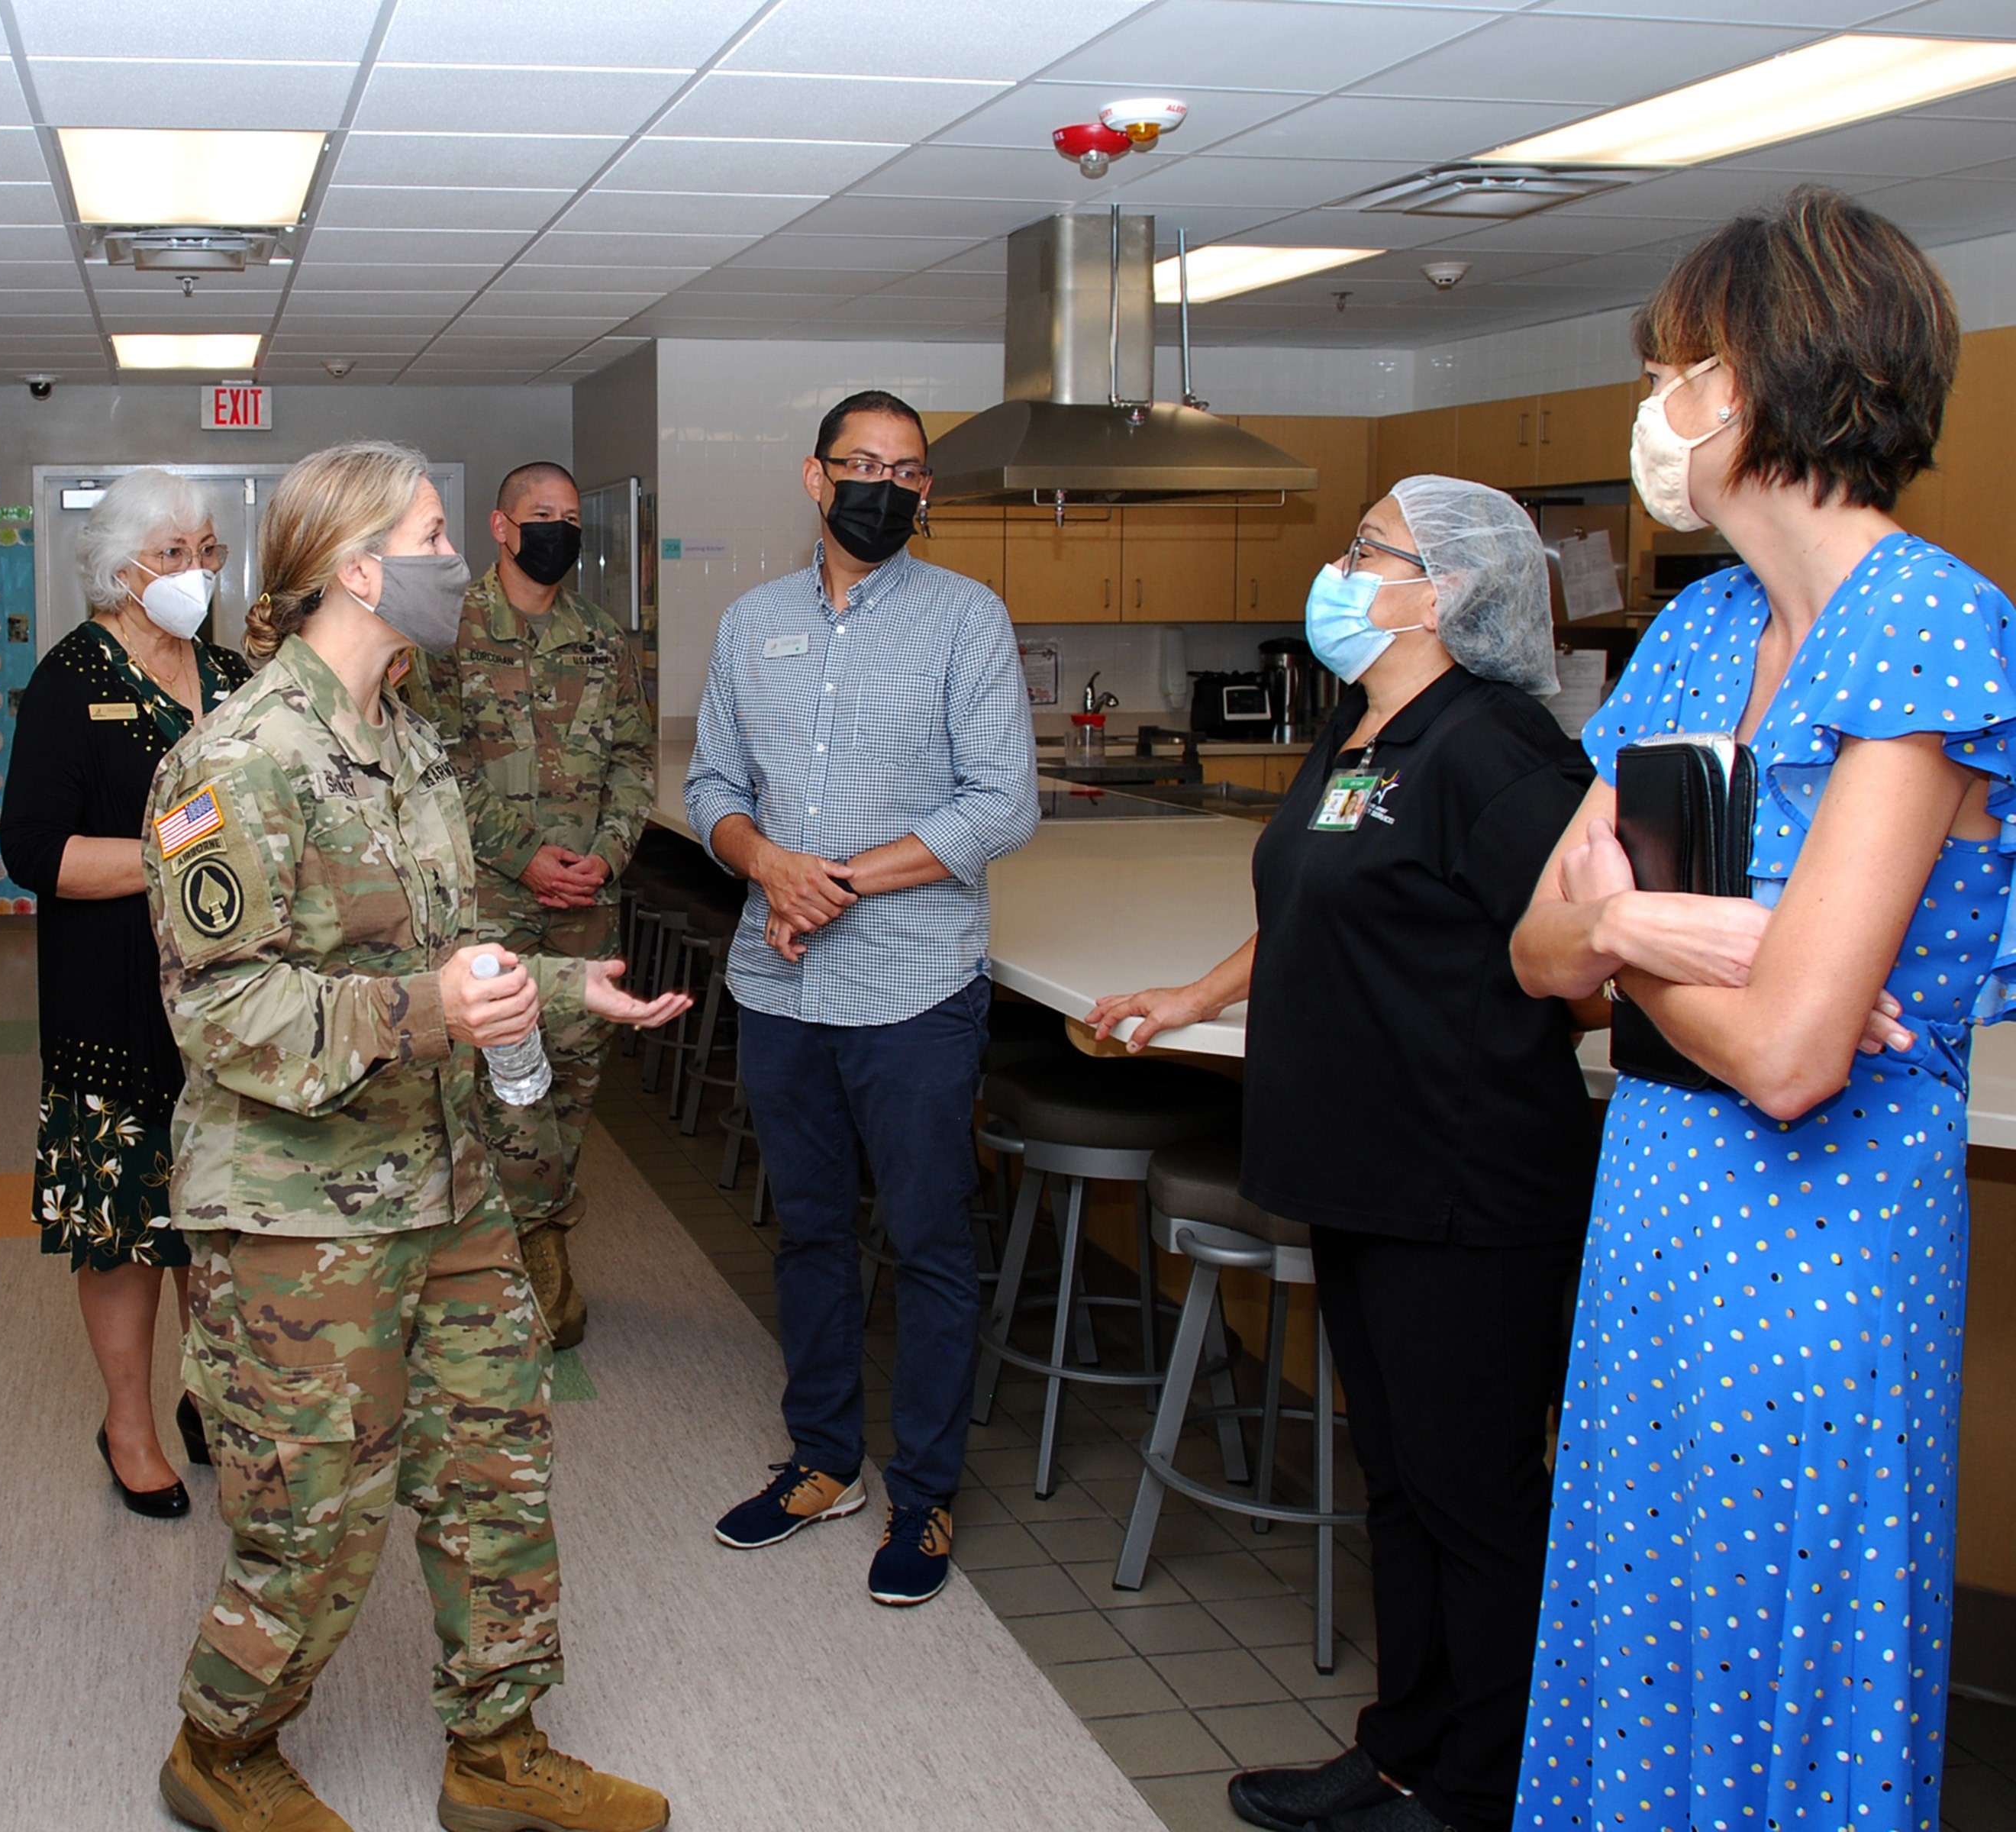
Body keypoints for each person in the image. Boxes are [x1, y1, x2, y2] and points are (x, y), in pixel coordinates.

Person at [1508, 186, 1989, 1832]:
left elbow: (1791, 1063)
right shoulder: (1697, 632)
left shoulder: (1927, 626)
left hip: (1821, 1236)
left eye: (1667, 371)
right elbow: (1530, 953)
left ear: (1746, 383)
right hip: (1655, 1200)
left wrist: (1629, 940)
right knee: (1634, 1620)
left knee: (1785, 1643)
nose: (1654, 411)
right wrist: (1704, 937)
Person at [144, 440, 688, 1832]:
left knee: (494, 1468)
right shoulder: (236, 760)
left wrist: (563, 984)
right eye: (439, 536)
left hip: (444, 1183)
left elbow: (451, 949)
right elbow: (225, 1015)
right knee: (314, 1517)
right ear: (360, 566)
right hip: (297, 1211)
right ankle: (224, 1749)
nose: (460, 562)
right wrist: (421, 1007)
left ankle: (498, 1746)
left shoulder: (406, 735)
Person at [1088, 478, 1602, 1832]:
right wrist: (1199, 996)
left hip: (1462, 1182)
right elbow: (1319, 904)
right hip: (1362, 1169)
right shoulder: (1366, 727)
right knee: (1398, 1482)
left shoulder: (1495, 753)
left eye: (1362, 550)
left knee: (1471, 1500)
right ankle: (1400, 1749)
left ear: (1440, 592)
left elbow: (1583, 961)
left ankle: (1484, 1787)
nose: (1335, 567)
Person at [690, 389, 1037, 1611]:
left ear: (926, 491)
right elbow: (712, 784)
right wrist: (763, 863)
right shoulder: (750, 624)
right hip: (778, 982)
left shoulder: (966, 620)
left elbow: (1001, 804)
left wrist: (826, 879)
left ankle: (925, 1490)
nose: (883, 486)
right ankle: (824, 1460)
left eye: (906, 470)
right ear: (813, 475)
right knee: (811, 1233)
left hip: (912, 988)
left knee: (932, 1244)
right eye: (860, 464)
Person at [1, 466, 250, 1518]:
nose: (196, 573)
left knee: (219, 1217)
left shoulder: (236, 673)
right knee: (124, 1225)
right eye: (175, 554)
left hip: (231, 1003)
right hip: (113, 999)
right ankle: (128, 1422)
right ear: (119, 570)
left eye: (206, 553)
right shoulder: (70, 677)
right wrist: (171, 855)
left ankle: (206, 1393)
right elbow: (33, 853)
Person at [402, 459, 654, 1347]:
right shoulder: (445, 633)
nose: (559, 530)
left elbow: (632, 761)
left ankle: (536, 1239)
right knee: (499, 1091)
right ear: (501, 528)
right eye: (539, 515)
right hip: (489, 906)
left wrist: (605, 854)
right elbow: (434, 768)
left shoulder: (601, 637)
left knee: (574, 1085)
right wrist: (522, 856)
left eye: (570, 518)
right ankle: (510, 1257)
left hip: (585, 905)